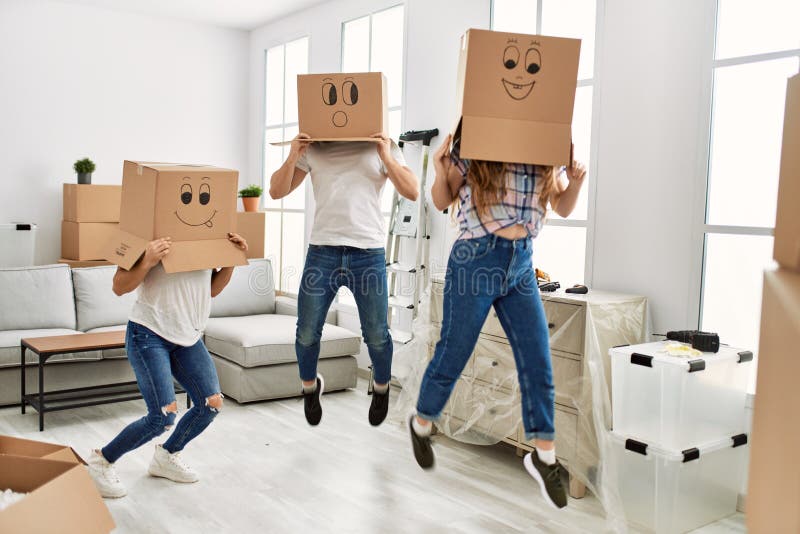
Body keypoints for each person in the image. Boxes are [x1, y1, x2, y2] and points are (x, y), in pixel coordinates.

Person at [408, 133, 587, 510]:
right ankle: (422, 421)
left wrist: (576, 181)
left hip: (521, 262)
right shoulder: (475, 138)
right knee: (455, 350)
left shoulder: (542, 142)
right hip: (476, 258)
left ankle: (545, 457)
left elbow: (562, 205)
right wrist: (441, 171)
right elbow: (441, 201)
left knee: (537, 360)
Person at [270, 132, 419, 427]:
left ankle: (381, 387)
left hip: (368, 253)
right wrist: (293, 154)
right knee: (306, 332)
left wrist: (386, 155)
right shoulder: (315, 145)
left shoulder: (382, 143)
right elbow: (276, 192)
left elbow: (412, 191)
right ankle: (310, 387)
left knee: (377, 334)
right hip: (322, 251)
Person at [87, 232, 248, 498]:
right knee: (162, 416)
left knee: (211, 404)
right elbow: (119, 286)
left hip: (188, 334)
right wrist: (147, 261)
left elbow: (211, 289)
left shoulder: (206, 230)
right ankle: (100, 462)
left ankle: (166, 455)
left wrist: (231, 258)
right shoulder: (142, 231)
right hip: (148, 333)